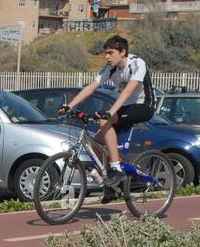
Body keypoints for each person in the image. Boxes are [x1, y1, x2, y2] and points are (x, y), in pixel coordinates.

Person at [58, 34, 152, 187]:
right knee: (96, 143)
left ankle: (116, 168)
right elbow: (91, 87)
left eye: (111, 53)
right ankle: (112, 182)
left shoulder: (137, 64)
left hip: (144, 106)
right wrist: (70, 105)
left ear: (122, 52)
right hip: (124, 108)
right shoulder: (110, 68)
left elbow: (128, 90)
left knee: (104, 120)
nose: (106, 57)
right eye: (105, 53)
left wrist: (109, 112)